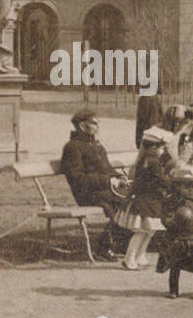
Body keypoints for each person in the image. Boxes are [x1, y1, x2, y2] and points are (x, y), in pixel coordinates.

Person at [60, 108, 128, 260]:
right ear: (83, 126)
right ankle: (105, 246)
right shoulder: (72, 147)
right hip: (87, 194)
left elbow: (107, 169)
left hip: (103, 190)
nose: (98, 127)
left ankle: (117, 242)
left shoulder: (96, 145)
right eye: (95, 124)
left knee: (134, 197)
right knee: (125, 201)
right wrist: (108, 181)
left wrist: (119, 176)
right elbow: (78, 178)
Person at [117, 127, 176, 269]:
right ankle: (129, 258)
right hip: (146, 201)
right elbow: (162, 179)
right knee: (143, 231)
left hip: (151, 200)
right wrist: (173, 184)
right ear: (154, 147)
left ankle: (140, 255)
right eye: (162, 147)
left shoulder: (146, 159)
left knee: (150, 230)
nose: (164, 151)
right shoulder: (153, 162)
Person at [157, 159, 193, 299]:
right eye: (185, 185)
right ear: (176, 185)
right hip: (177, 236)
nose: (189, 188)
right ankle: (173, 290)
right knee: (175, 263)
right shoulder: (170, 200)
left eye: (192, 185)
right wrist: (171, 223)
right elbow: (165, 217)